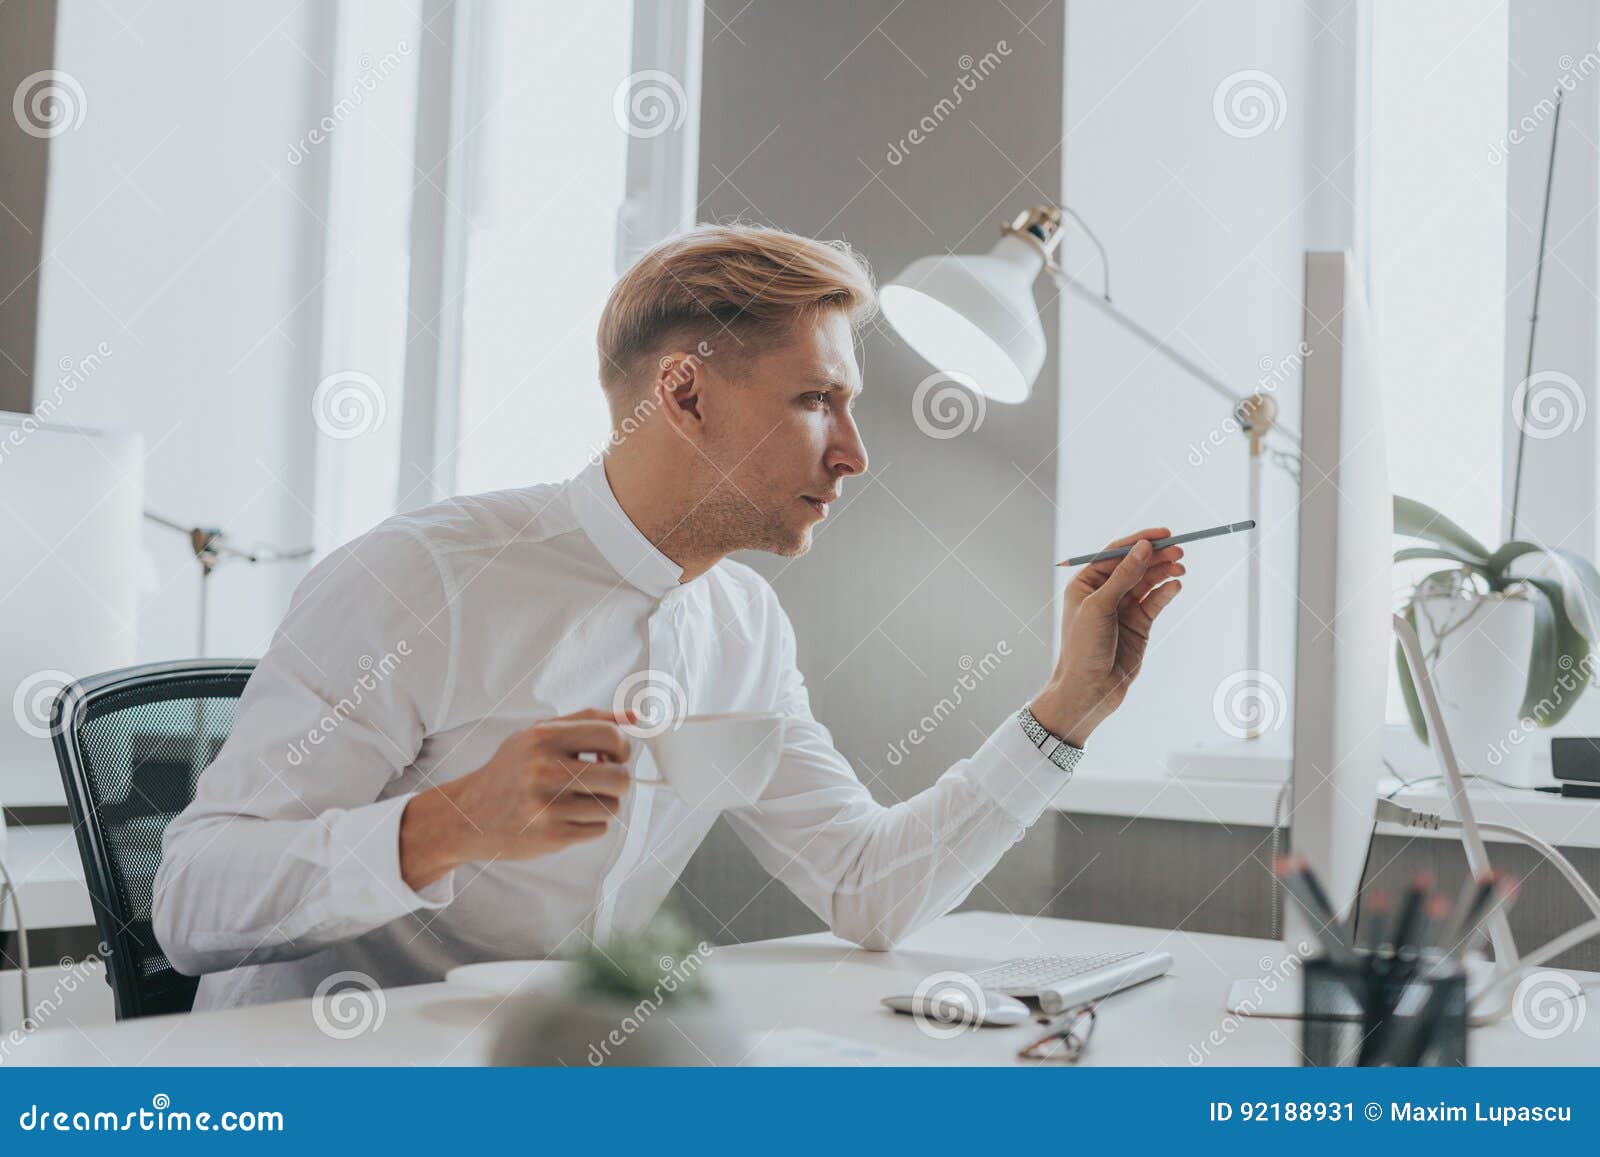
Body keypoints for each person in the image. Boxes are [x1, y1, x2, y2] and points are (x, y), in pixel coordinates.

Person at [152, 224, 1185, 1010]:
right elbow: (192, 904)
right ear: (683, 393)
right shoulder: (418, 579)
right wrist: (453, 822)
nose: (853, 453)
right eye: (815, 401)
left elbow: (866, 884)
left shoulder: (743, 625)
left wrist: (1067, 707)